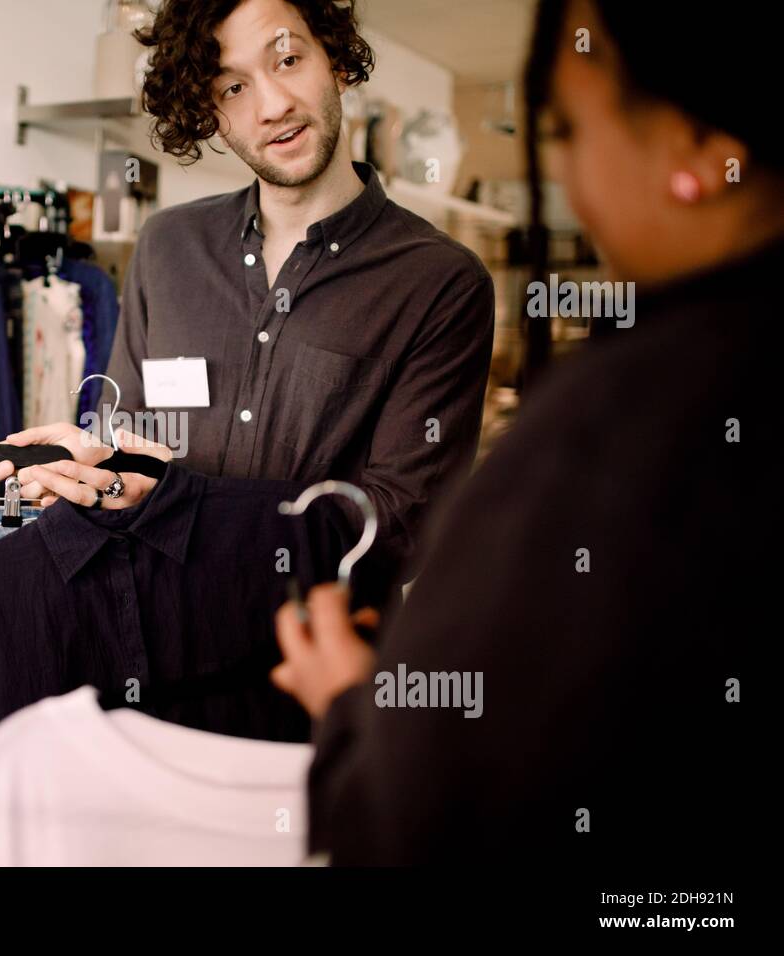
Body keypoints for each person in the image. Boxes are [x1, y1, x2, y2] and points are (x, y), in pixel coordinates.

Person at [272, 0, 781, 863]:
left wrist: (355, 708)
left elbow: (448, 795)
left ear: (698, 154)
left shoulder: (625, 422)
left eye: (571, 130)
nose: (575, 179)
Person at [0, 0, 495, 601]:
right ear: (209, 111)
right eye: (232, 86)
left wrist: (182, 504)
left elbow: (403, 530)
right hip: (148, 644)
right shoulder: (167, 246)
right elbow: (126, 441)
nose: (272, 105)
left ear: (335, 58)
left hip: (311, 671)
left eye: (287, 58)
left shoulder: (440, 281)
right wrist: (89, 472)